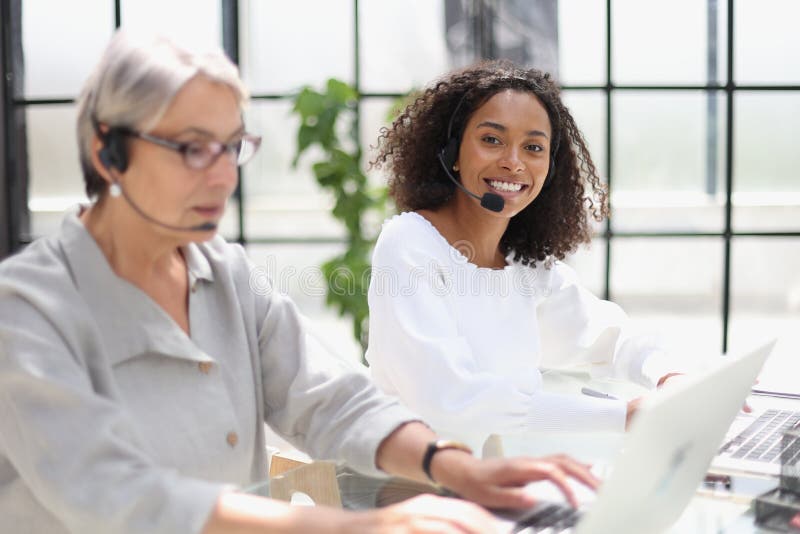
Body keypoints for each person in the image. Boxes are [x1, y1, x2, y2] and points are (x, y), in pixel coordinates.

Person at [0, 32, 600, 534]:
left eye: (231, 148)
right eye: (190, 149)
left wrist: (452, 465)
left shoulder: (227, 274)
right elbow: (112, 491)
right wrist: (358, 526)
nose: (219, 176)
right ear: (107, 150)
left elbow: (330, 397)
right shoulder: (27, 306)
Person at [365, 60, 681, 451]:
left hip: (512, 477)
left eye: (533, 147)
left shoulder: (524, 265)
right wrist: (623, 416)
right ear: (452, 153)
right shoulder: (410, 243)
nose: (513, 162)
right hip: (420, 490)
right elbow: (453, 403)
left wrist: (671, 377)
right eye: (492, 140)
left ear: (549, 169)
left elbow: (611, 338)